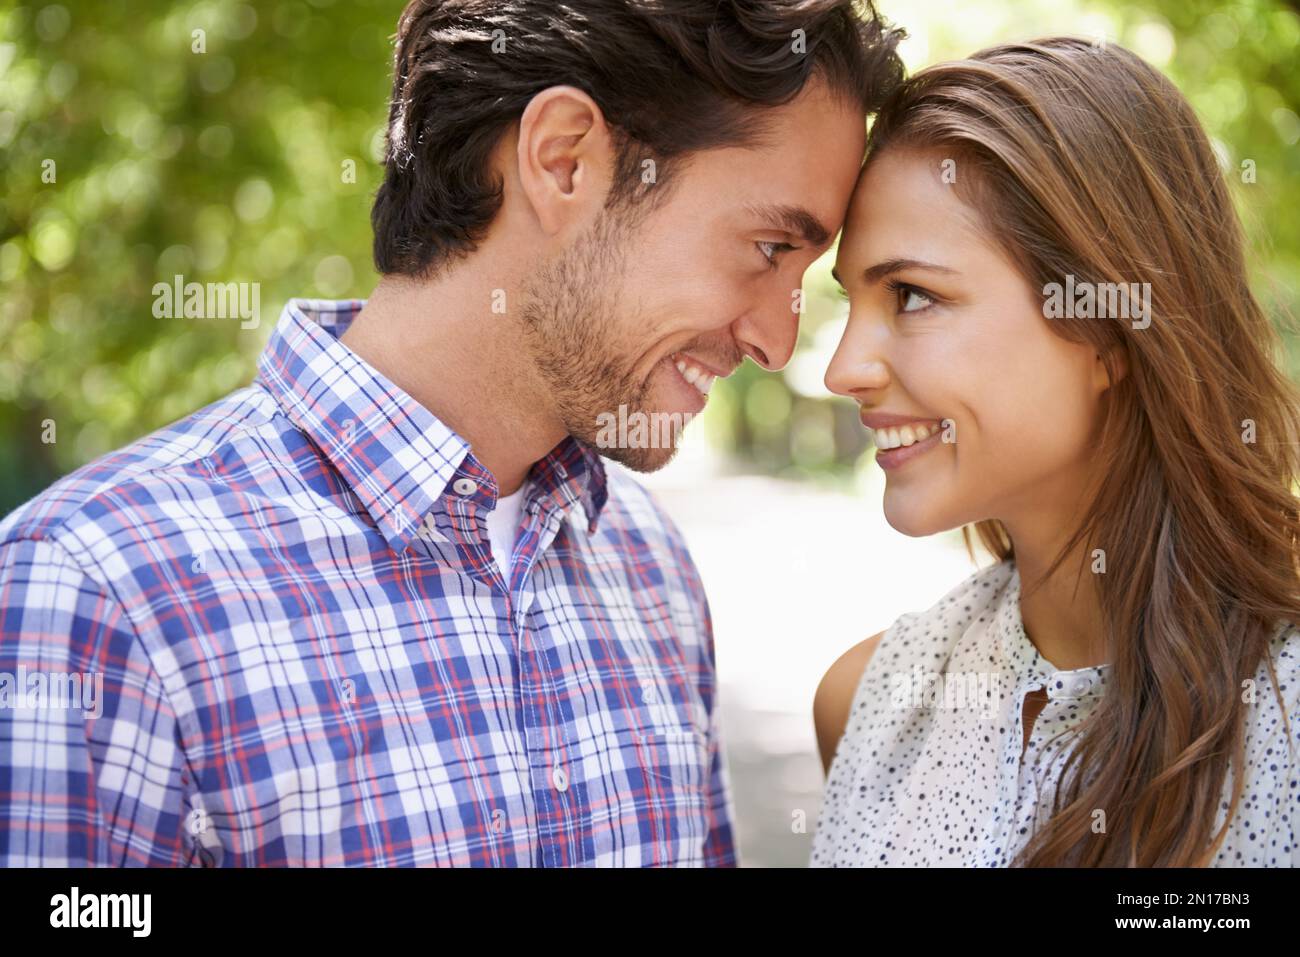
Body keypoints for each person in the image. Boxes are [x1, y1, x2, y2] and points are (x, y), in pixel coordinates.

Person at [0, 0, 903, 866]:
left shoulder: (647, 563)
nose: (778, 340)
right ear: (563, 160)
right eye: (770, 249)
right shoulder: (93, 590)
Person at [813, 37, 1300, 866]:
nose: (841, 368)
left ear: (1108, 327)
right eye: (851, 298)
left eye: (913, 295)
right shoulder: (867, 701)